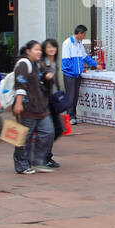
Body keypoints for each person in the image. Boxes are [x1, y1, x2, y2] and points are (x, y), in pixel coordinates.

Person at [10, 41, 55, 174]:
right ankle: (21, 164)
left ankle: (38, 160)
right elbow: (20, 84)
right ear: (28, 51)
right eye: (36, 50)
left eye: (40, 50)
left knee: (48, 131)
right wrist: (18, 103)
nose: (39, 52)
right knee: (24, 136)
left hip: (40, 106)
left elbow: (42, 76)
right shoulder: (23, 64)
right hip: (27, 106)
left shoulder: (37, 63)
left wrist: (48, 76)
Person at [60, 25, 97, 120]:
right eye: (84, 34)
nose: (84, 36)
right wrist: (74, 71)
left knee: (75, 96)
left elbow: (84, 56)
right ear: (80, 33)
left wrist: (95, 64)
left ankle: (74, 116)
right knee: (70, 96)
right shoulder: (67, 43)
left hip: (77, 75)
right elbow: (66, 61)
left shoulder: (79, 44)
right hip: (70, 75)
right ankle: (69, 117)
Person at [39, 38, 63, 169]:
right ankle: (45, 156)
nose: (51, 49)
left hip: (54, 100)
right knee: (50, 130)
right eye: (48, 47)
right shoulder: (42, 63)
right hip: (45, 101)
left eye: (53, 47)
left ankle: (44, 154)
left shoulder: (55, 63)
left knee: (58, 129)